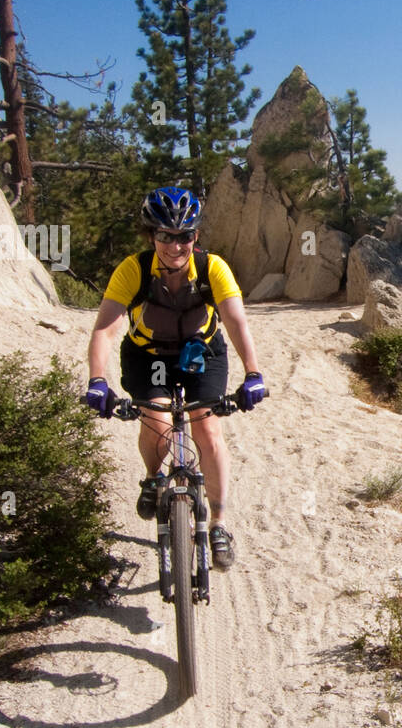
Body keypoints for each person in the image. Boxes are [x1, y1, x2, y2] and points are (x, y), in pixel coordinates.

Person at [84, 186, 266, 569]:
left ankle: (218, 523)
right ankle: (153, 478)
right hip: (148, 356)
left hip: (202, 354)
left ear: (195, 236)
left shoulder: (212, 267)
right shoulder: (133, 270)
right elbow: (104, 330)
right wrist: (98, 380)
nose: (175, 245)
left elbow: (236, 321)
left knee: (208, 429)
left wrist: (253, 373)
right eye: (165, 236)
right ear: (152, 236)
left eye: (184, 236)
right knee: (157, 420)